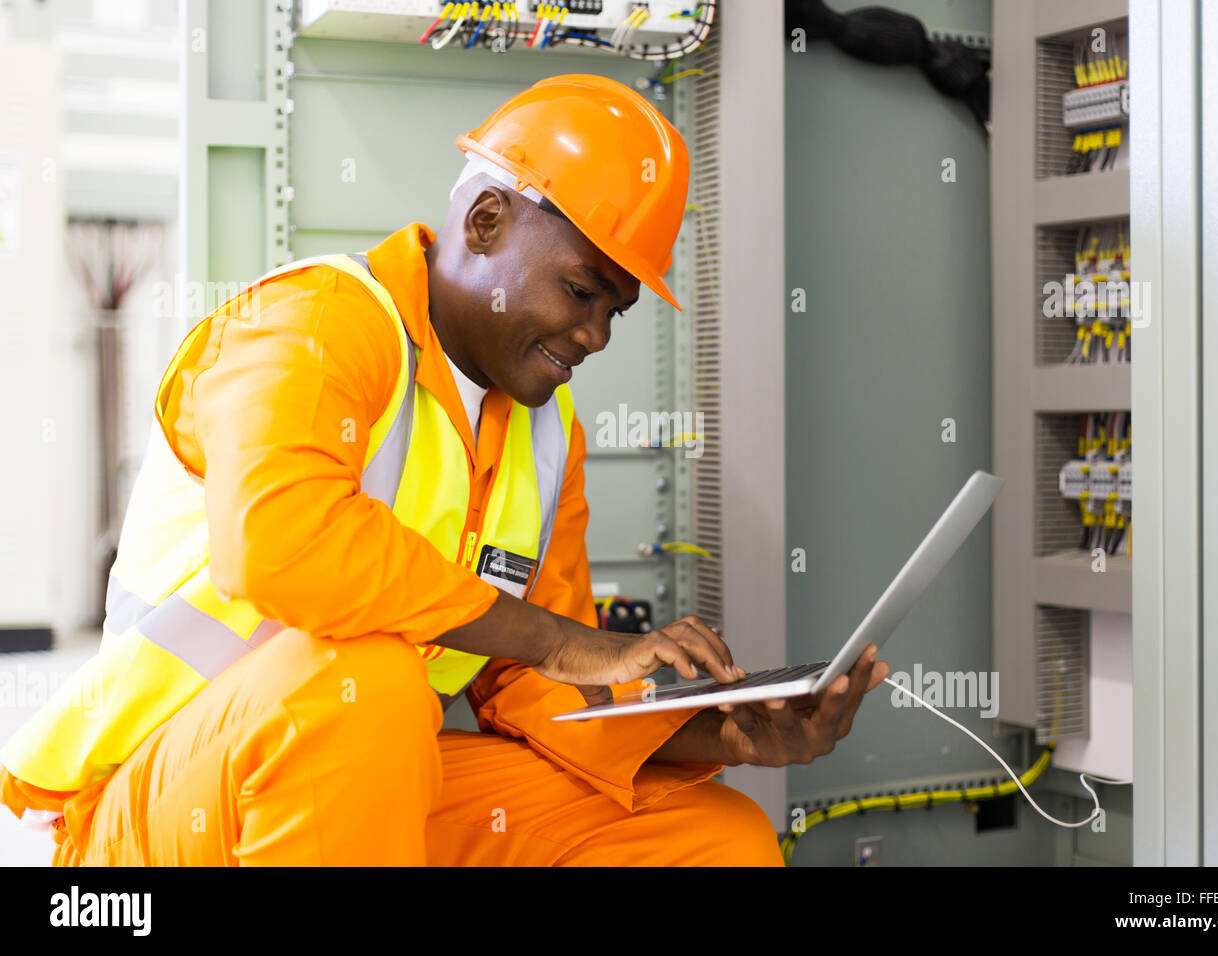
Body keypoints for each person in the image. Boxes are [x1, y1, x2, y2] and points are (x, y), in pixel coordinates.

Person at [0, 73, 887, 866]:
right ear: (486, 221)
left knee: (710, 838)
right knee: (365, 687)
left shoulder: (546, 435)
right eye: (583, 291)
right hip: (154, 811)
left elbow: (543, 695)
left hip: (359, 792)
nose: (595, 337)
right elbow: (278, 546)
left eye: (613, 311)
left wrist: (721, 735)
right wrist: (571, 642)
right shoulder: (314, 322)